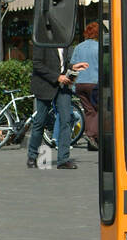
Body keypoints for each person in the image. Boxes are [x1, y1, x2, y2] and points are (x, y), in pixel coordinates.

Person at [28, 41, 88, 171]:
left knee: (66, 120)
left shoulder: (64, 42)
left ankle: (63, 160)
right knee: (40, 121)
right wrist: (57, 77)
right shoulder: (42, 41)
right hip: (45, 86)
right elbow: (37, 64)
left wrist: (73, 67)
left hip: (63, 87)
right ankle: (32, 156)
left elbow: (62, 65)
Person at [71, 22, 99, 151]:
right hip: (94, 82)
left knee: (89, 111)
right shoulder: (99, 47)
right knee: (99, 110)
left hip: (79, 84)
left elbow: (72, 66)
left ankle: (92, 137)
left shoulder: (78, 47)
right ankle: (92, 135)